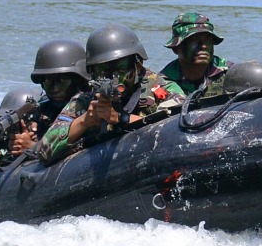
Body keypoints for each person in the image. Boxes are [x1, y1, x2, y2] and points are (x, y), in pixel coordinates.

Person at [37, 24, 184, 164]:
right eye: (104, 71)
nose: (114, 78)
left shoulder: (160, 88)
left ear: (137, 66)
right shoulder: (86, 100)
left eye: (121, 69)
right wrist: (85, 121)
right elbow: (44, 151)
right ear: (92, 73)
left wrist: (121, 118)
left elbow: (177, 130)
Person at [157, 12, 232, 96]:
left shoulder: (231, 74)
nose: (203, 46)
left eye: (208, 40)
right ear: (176, 48)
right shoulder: (162, 83)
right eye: (194, 40)